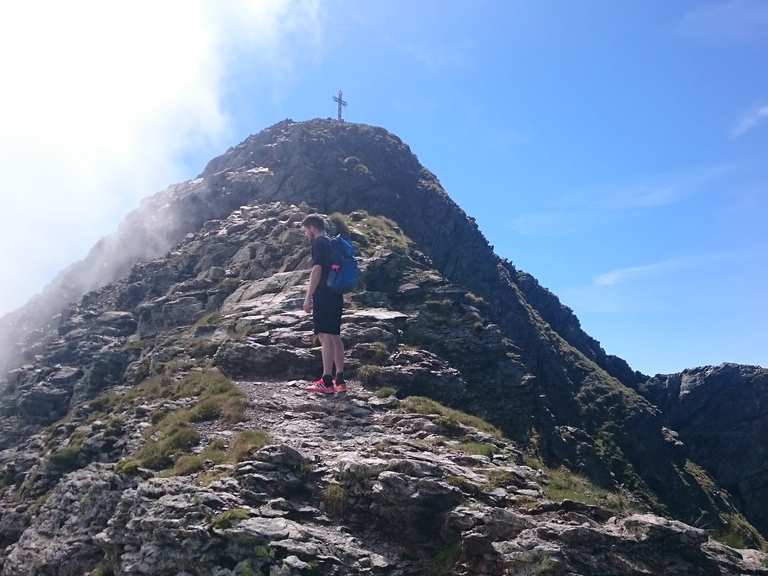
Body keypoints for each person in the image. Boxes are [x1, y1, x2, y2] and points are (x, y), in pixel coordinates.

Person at [302, 214, 346, 394]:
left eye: (306, 230)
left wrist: (308, 297)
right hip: (336, 293)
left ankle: (327, 381)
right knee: (334, 335)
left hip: (324, 294)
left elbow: (317, 269)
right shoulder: (331, 243)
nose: (306, 234)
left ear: (312, 228)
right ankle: (340, 380)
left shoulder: (318, 243)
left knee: (324, 336)